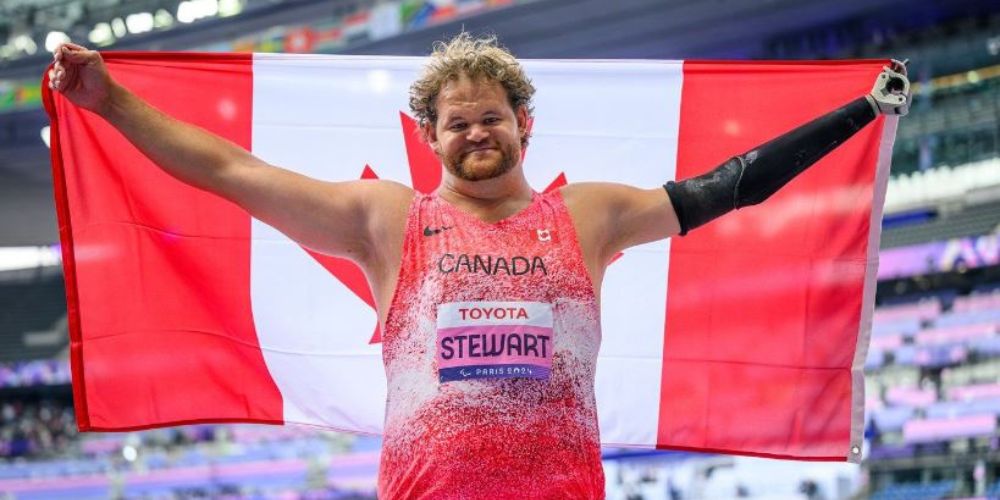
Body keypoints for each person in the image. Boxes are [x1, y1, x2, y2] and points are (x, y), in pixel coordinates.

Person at [48, 33, 909, 499]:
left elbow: (727, 187)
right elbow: (231, 171)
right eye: (456, 123)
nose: (476, 133)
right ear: (429, 136)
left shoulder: (588, 216)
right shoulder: (388, 221)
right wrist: (110, 101)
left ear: (524, 123)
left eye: (491, 117)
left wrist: (858, 113)